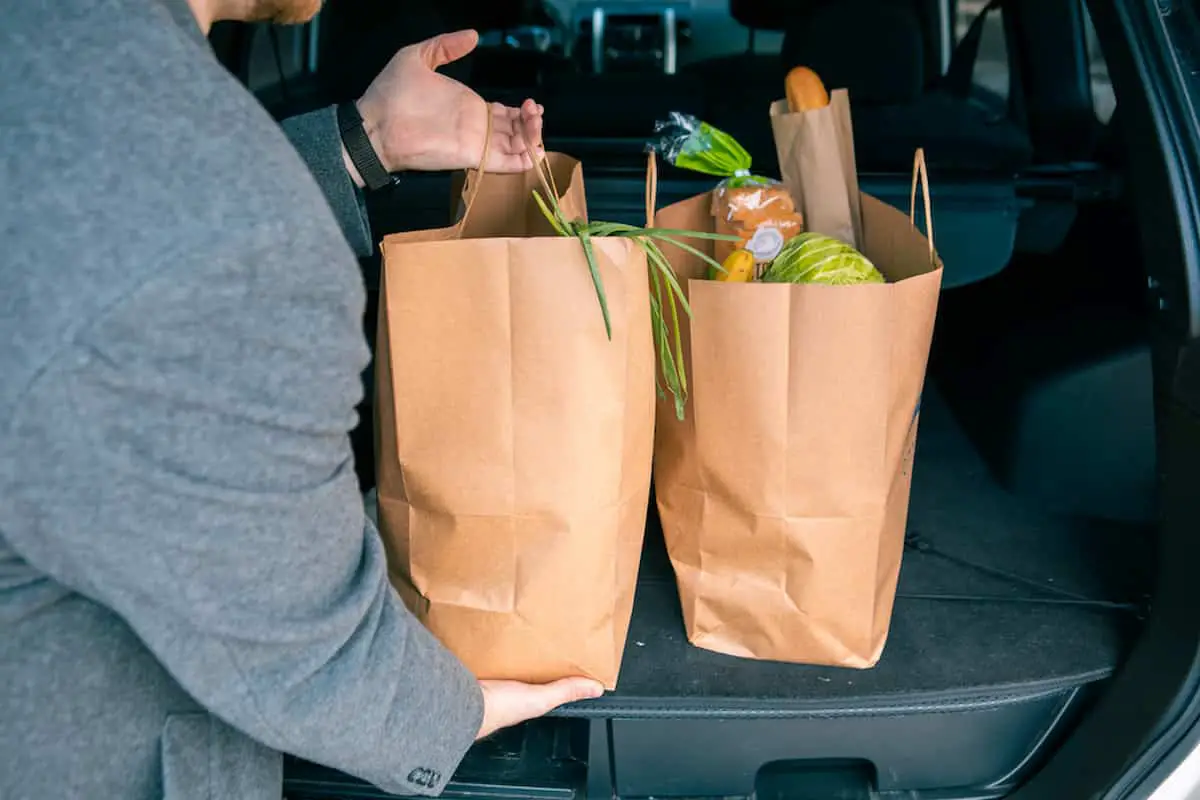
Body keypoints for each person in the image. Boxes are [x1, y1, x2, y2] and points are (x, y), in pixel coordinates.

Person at [0, 1, 603, 798]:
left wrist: (363, 143)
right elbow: (291, 637)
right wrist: (450, 712)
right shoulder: (230, 232)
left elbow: (99, 235)